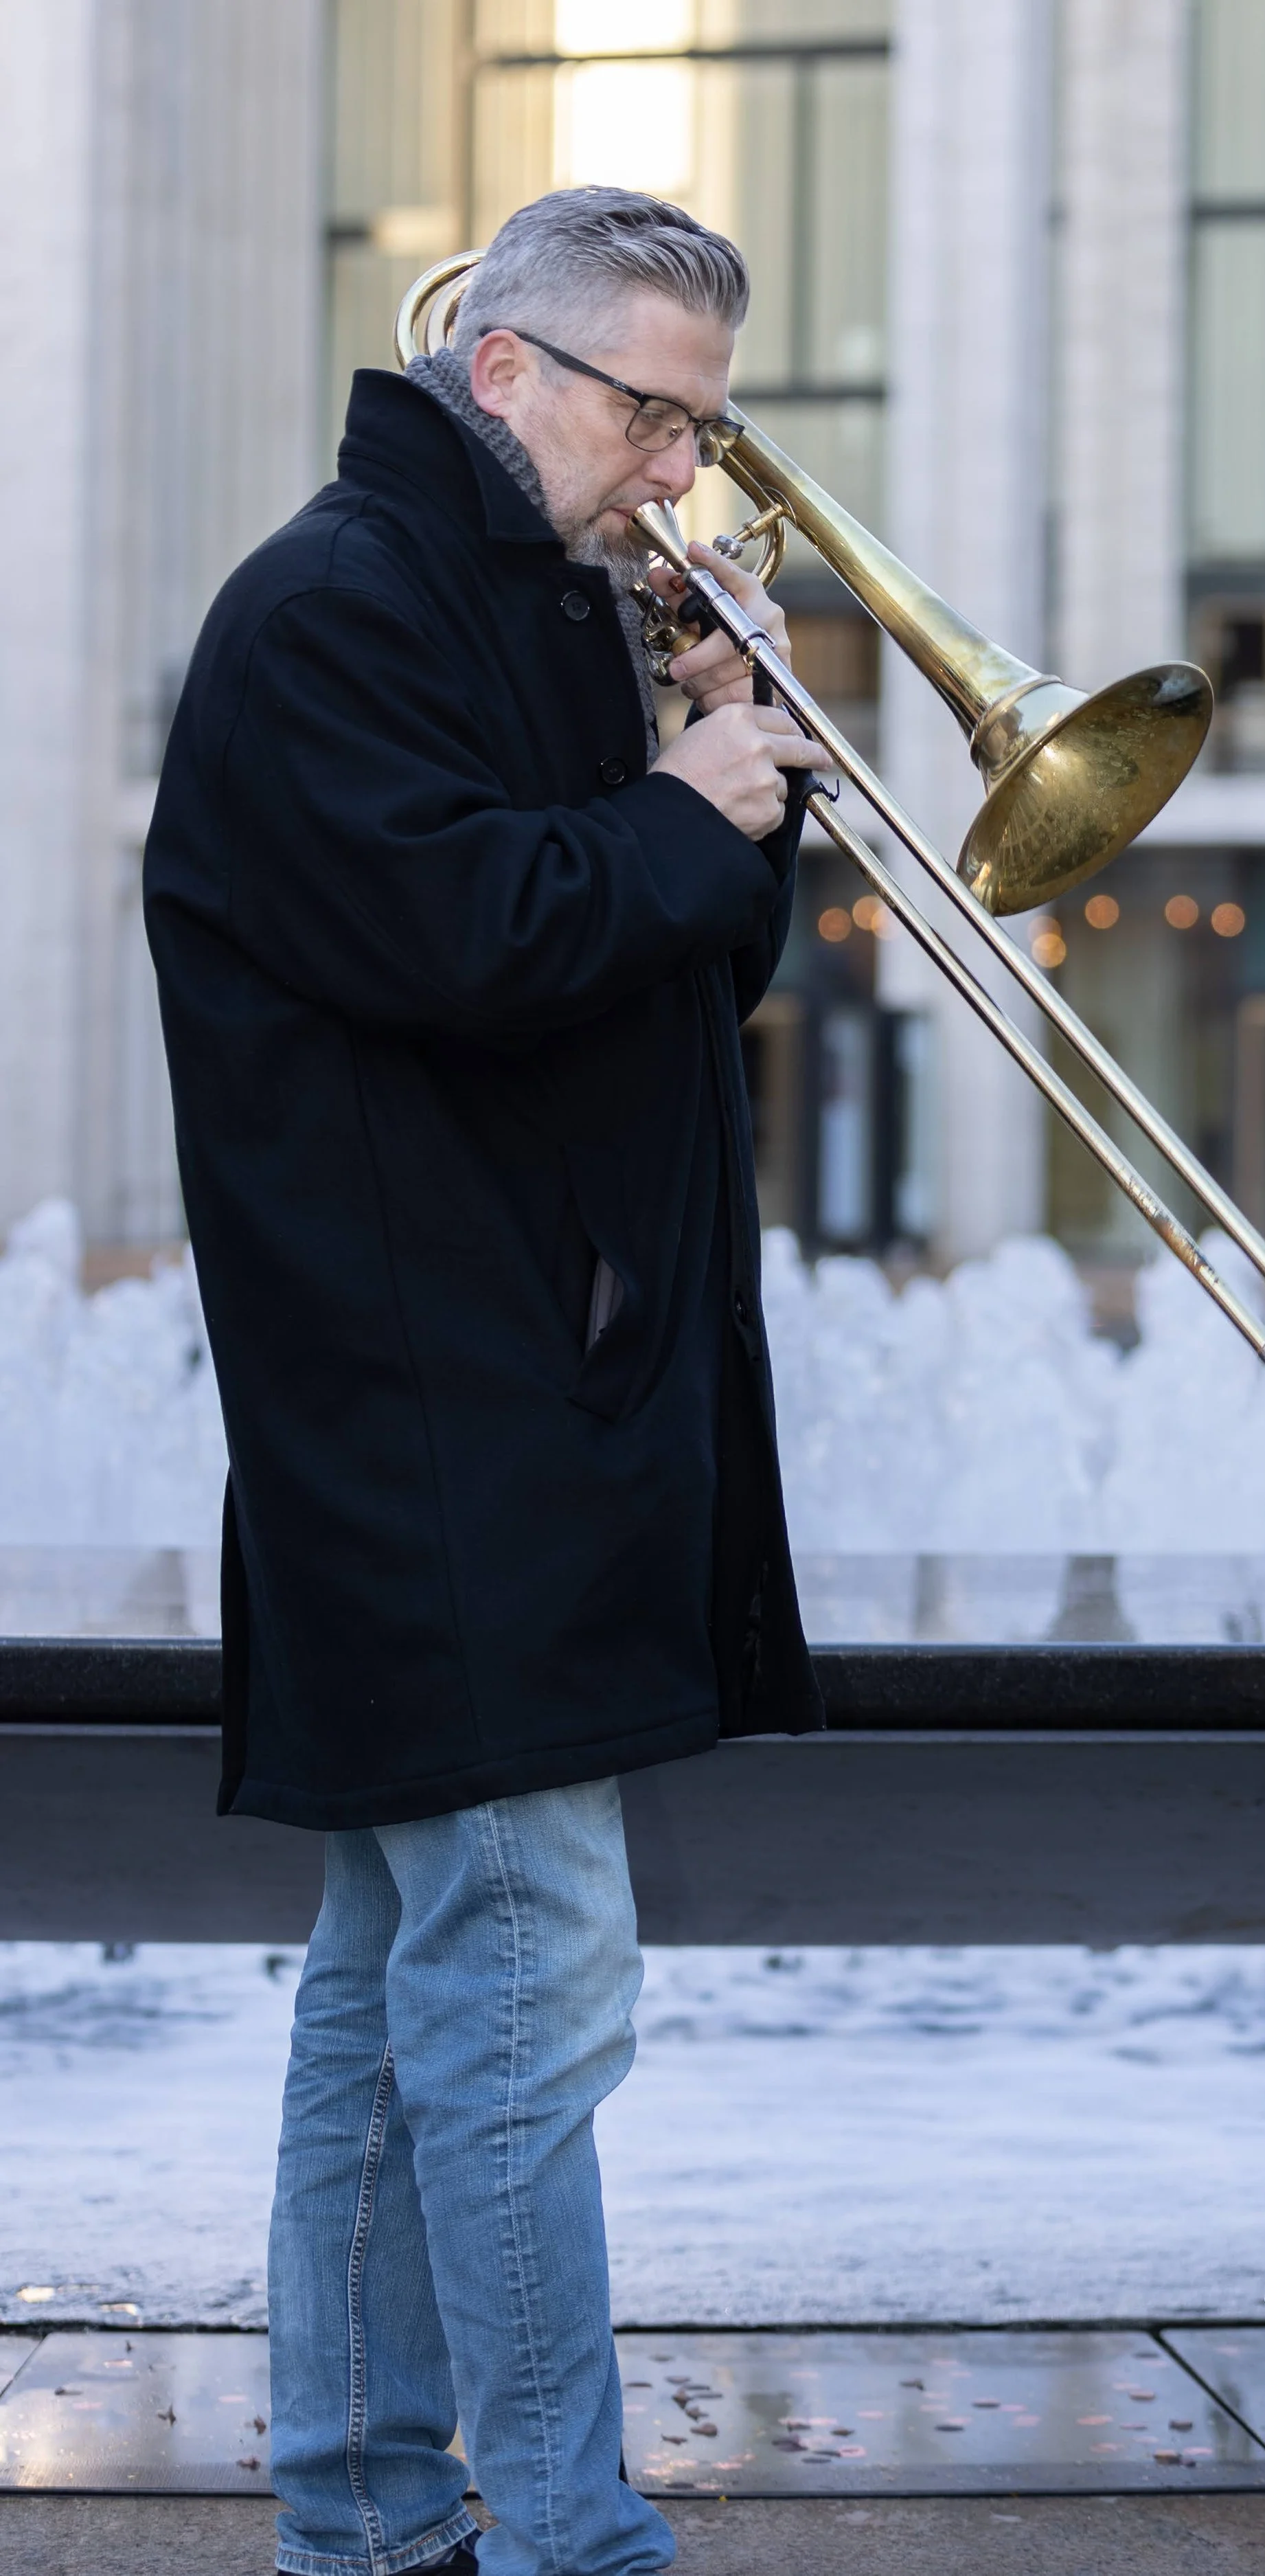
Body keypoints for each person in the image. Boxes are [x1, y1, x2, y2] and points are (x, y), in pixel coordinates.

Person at [144, 188, 826, 2576]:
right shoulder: (335, 611)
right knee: (535, 2000)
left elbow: (632, 984)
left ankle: (356, 2515)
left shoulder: (531, 610)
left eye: (706, 428)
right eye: (653, 413)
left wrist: (738, 780)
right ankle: (564, 2535)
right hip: (430, 1411)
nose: (681, 474)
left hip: (509, 1398)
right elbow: (468, 930)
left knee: (393, 2003)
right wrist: (669, 808)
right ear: (507, 367)